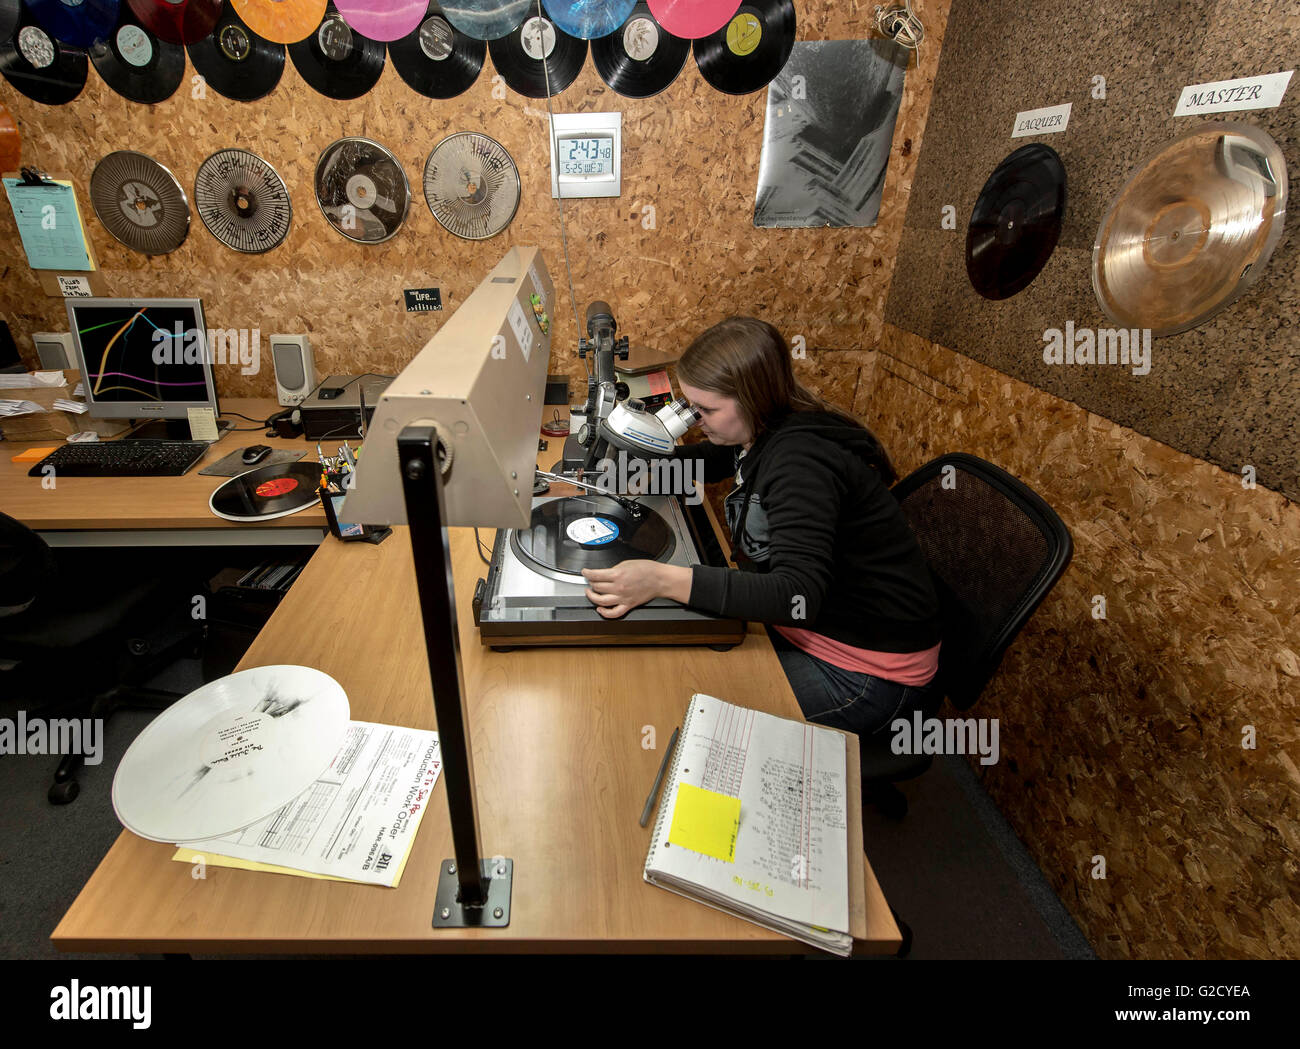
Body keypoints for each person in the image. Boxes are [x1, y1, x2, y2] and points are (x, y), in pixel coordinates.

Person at [581, 316, 942, 738]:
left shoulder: (800, 464)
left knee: (685, 715)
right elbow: (709, 461)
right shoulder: (762, 432)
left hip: (868, 673)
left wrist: (661, 579)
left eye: (708, 410)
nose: (698, 420)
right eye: (692, 407)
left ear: (752, 398)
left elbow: (796, 593)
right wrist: (629, 472)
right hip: (818, 632)